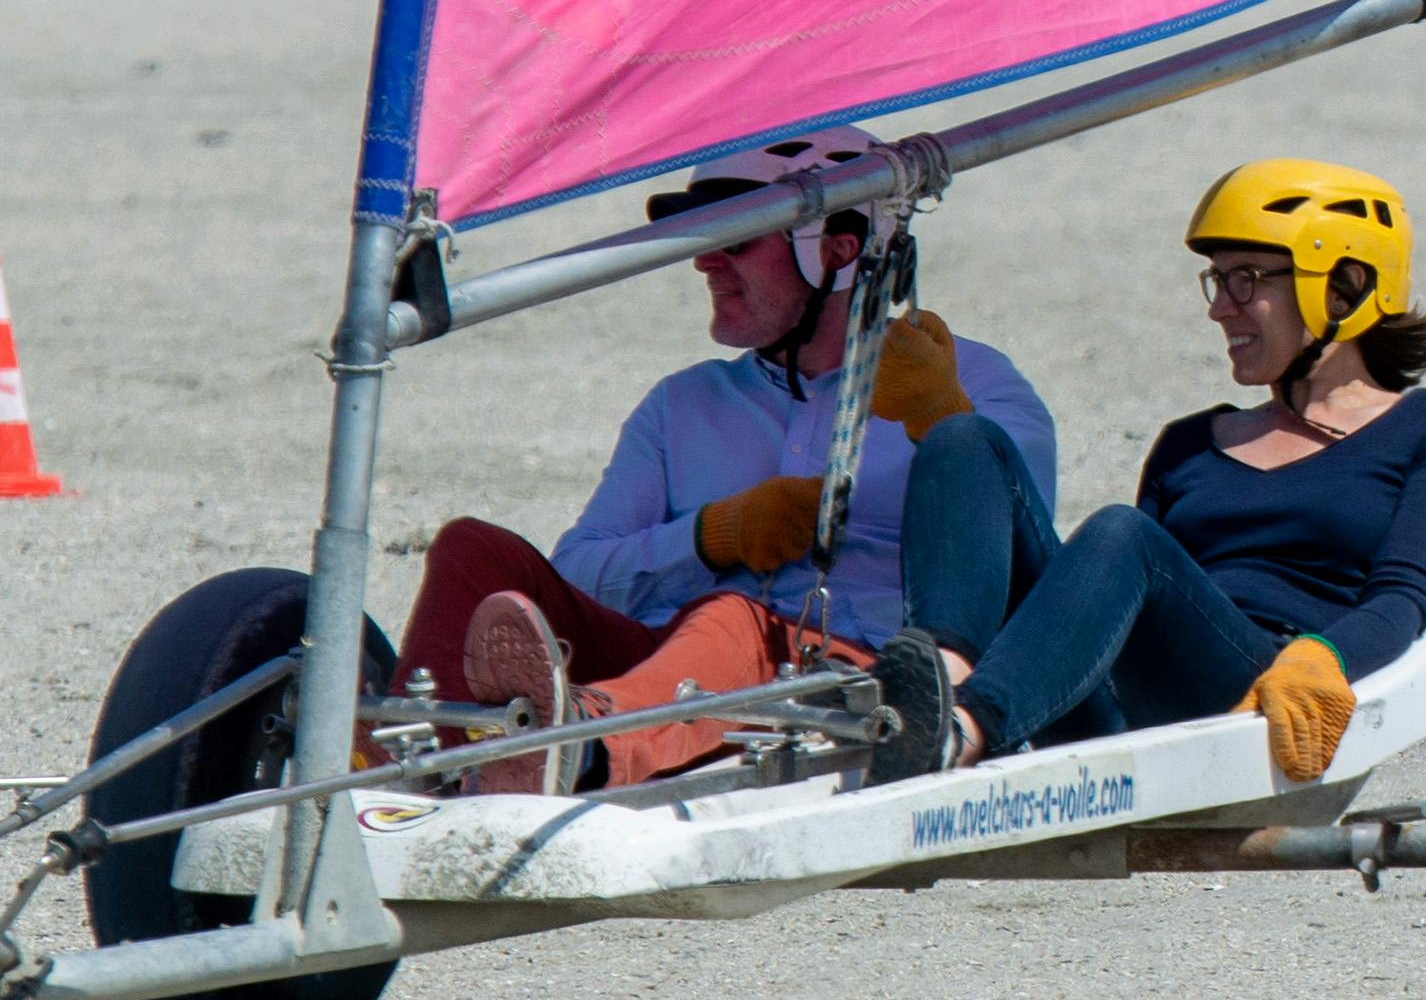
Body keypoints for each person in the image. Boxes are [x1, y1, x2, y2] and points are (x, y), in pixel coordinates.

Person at [399, 128, 1056, 791]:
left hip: (852, 680)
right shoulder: (679, 405)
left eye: (734, 240)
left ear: (838, 250)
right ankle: (397, 761)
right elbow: (575, 576)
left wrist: (944, 417)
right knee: (472, 551)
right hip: (676, 668)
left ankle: (584, 744)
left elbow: (1028, 558)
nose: (704, 263)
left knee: (731, 618)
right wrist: (709, 538)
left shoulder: (979, 382)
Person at [881, 157, 1426, 789]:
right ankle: (937, 694)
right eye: (1216, 281)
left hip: (1258, 695)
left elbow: (1404, 600)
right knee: (964, 439)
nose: (1219, 309)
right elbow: (1119, 611)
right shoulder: (1190, 442)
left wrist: (1324, 656)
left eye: (1246, 280)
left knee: (1125, 536)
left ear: (1346, 287)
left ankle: (963, 731)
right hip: (1119, 704)